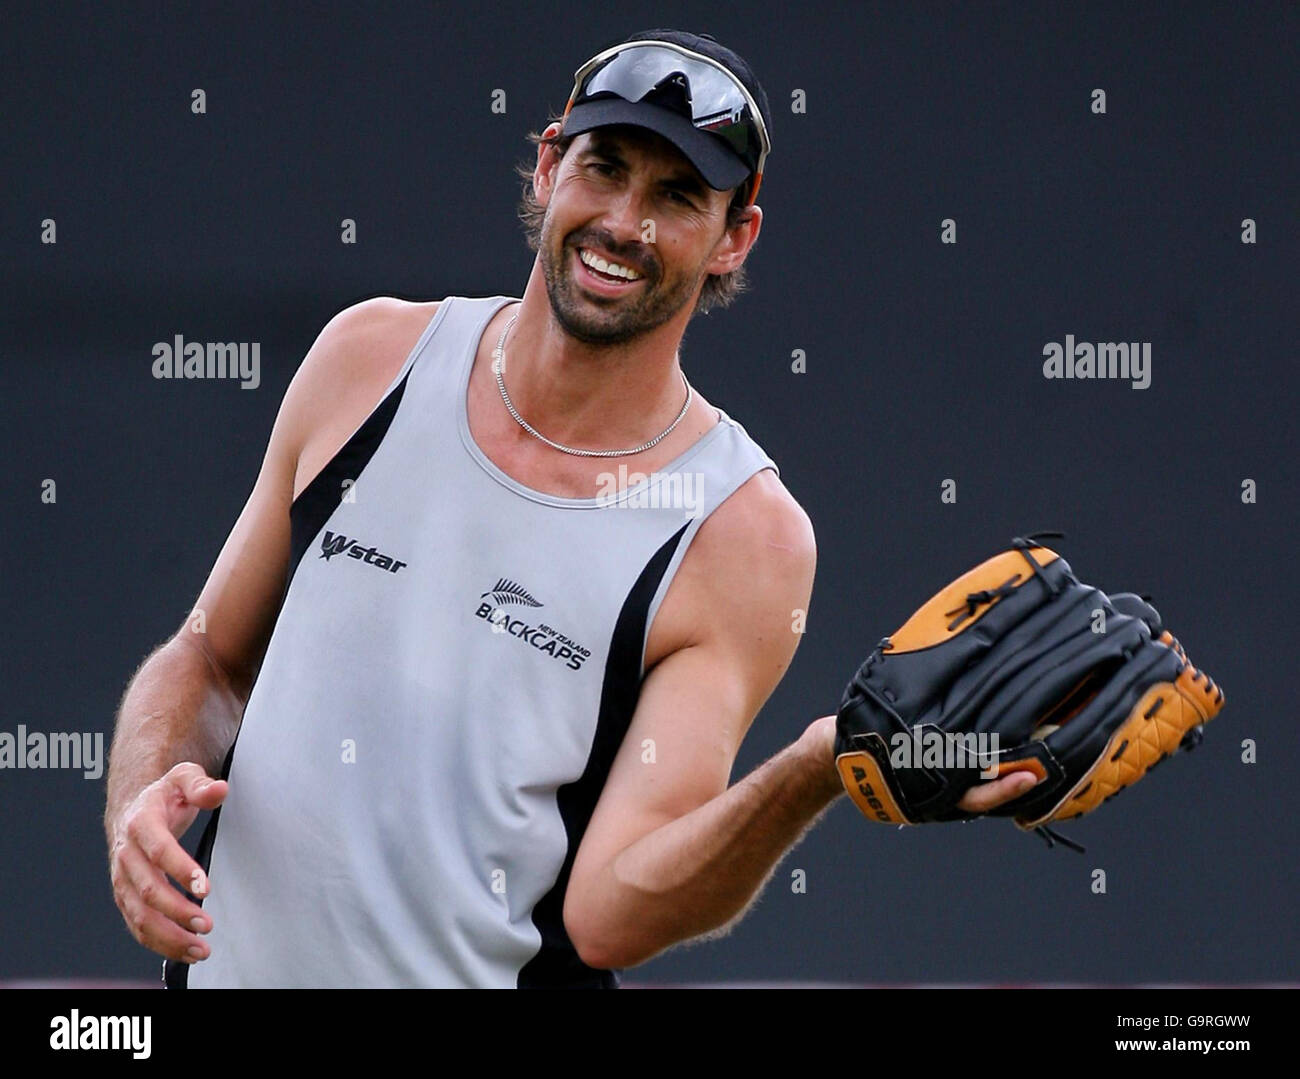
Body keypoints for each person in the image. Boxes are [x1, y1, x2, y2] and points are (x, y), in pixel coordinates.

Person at [104, 28, 1037, 988]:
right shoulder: (367, 360)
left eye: (679, 196)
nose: (626, 222)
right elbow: (210, 658)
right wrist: (141, 797)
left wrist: (812, 766)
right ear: (551, 165)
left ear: (734, 238)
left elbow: (609, 916)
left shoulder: (738, 533)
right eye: (605, 167)